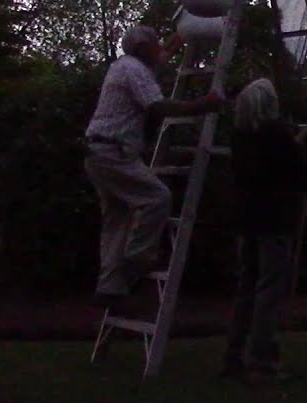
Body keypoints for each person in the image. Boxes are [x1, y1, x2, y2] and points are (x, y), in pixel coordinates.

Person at [83, 24, 223, 309]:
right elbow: (157, 107)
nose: (160, 47)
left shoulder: (125, 67)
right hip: (114, 152)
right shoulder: (133, 69)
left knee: (117, 219)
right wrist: (202, 105)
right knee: (157, 198)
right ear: (141, 48)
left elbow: (160, 58)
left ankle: (109, 287)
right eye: (154, 43)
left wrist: (180, 36)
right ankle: (138, 260)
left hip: (99, 152)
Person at [221, 78, 307, 383]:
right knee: (270, 290)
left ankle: (235, 355)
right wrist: (300, 143)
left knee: (247, 287)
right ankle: (262, 361)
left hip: (246, 220)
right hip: (274, 221)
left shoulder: (241, 135)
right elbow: (295, 174)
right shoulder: (276, 134)